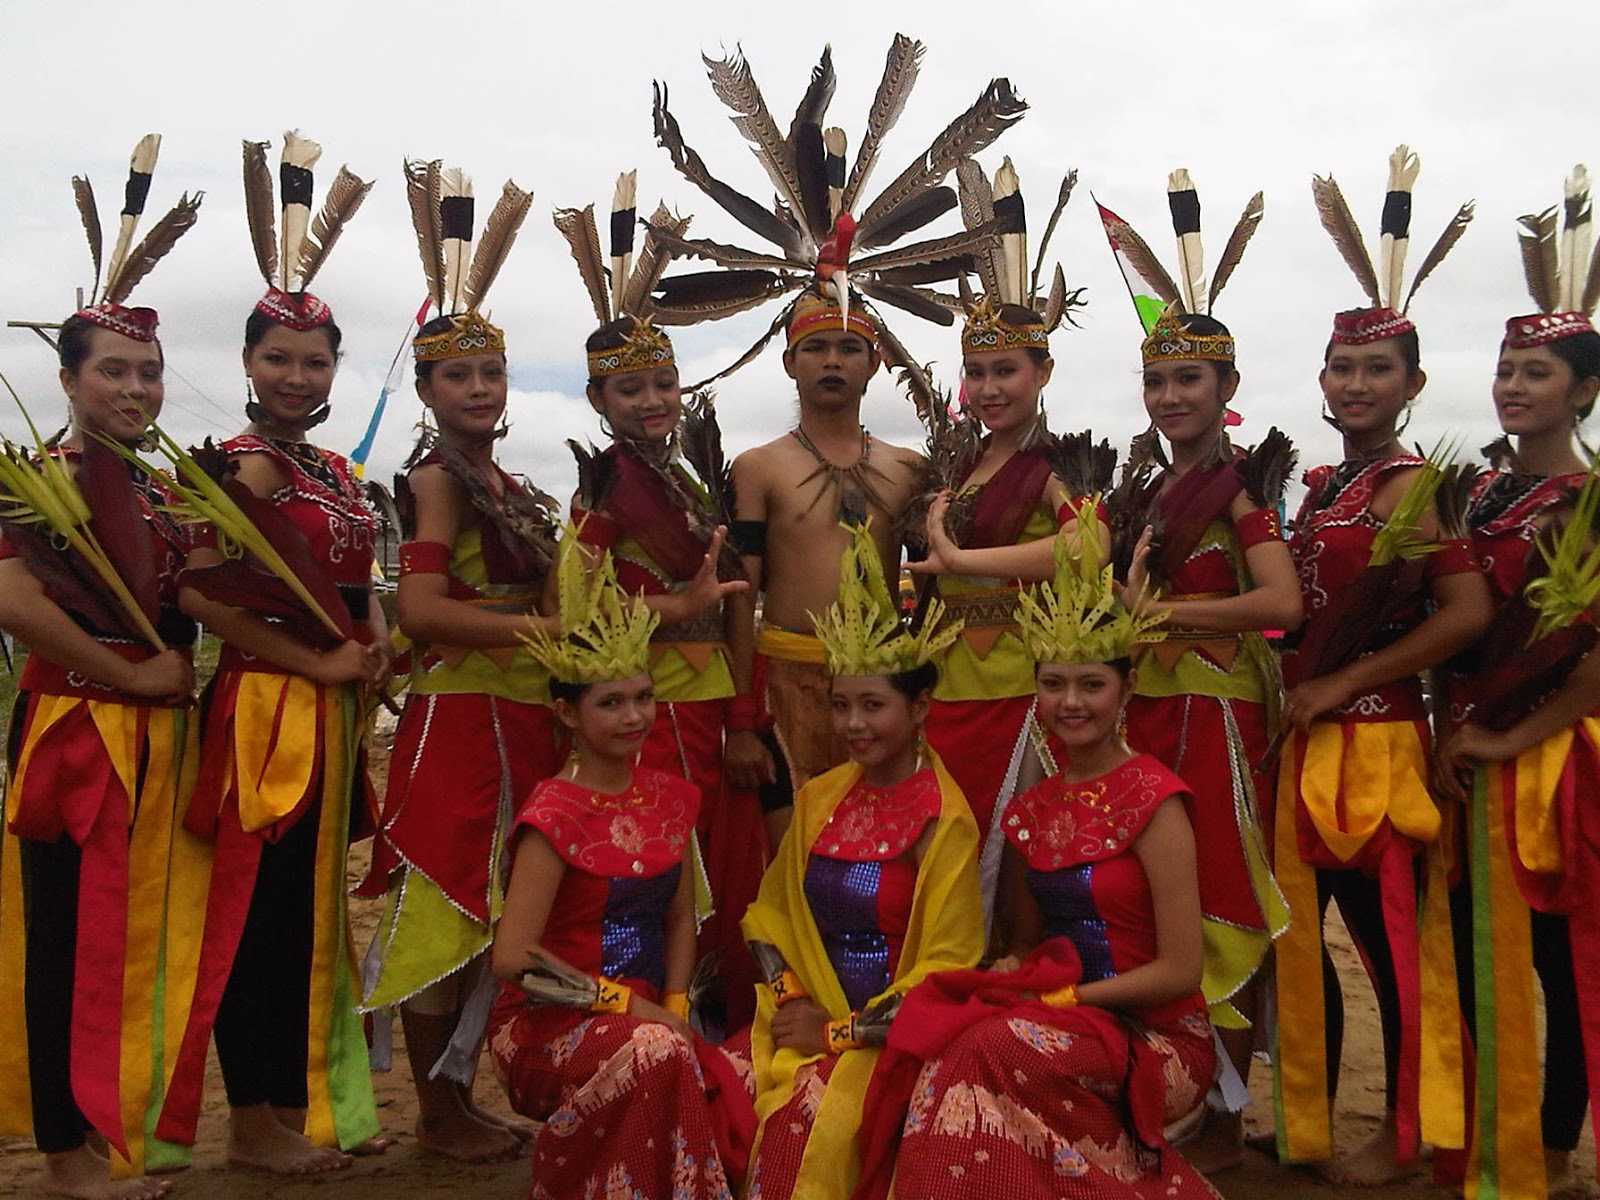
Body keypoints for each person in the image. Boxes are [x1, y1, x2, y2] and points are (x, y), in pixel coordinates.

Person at [859, 508, 1219, 1200]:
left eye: (1091, 685)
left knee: (987, 1049)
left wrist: (1063, 998)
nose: (1070, 703)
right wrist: (1009, 976)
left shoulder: (1156, 799)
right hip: (1059, 1015)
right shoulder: (1032, 808)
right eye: (1053, 684)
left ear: (1127, 689)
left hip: (1156, 1036)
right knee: (942, 1041)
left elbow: (1181, 971)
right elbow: (1027, 943)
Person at [163, 132, 387, 1174]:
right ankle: (253, 1121)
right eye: (278, 359)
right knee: (254, 914)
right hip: (264, 713)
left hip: (330, 709)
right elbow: (200, 594)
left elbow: (354, 591)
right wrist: (317, 666)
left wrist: (371, 646)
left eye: (315, 360)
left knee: (304, 910)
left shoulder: (334, 470)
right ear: (247, 364)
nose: (297, 376)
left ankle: (290, 1110)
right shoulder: (241, 470)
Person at [1274, 146, 1490, 1185]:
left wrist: (1345, 682)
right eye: (1341, 368)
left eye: (1375, 370)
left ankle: (1409, 1134)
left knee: (1392, 942)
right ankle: (1309, 1118)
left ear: (1412, 385)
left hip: (1379, 747)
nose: (1354, 385)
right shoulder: (1322, 486)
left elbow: (1466, 611)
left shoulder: (1413, 486)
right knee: (1300, 938)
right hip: (1307, 739)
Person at [0, 134, 203, 1200]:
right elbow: (14, 602)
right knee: (67, 937)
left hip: (161, 728)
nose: (134, 388)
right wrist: (128, 679)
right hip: (80, 730)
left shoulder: (168, 493)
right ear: (68, 380)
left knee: (132, 936)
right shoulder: (39, 480)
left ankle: (114, 1128)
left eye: (148, 372)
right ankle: (66, 1152)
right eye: (112, 371)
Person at [355, 162, 559, 1161]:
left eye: (491, 374)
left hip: (517, 714)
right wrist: (547, 635)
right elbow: (425, 610)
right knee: (445, 897)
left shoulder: (502, 481)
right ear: (428, 390)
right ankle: (437, 1115)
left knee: (498, 902)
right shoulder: (439, 478)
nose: (479, 389)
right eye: (458, 376)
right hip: (463, 722)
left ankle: (456, 1099)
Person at [1096, 172, 1299, 1171]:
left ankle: (1225, 1108)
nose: (1171, 396)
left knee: (1221, 899)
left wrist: (1163, 613)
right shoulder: (1139, 493)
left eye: (1190, 381)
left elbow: (1280, 604)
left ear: (1225, 388)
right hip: (1143, 723)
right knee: (1149, 903)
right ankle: (1166, 1091)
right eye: (1158, 382)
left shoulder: (1239, 492)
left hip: (1218, 725)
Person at [555, 173, 763, 1031]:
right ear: (598, 401)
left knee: (723, 869)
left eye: (663, 384)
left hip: (711, 708)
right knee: (664, 874)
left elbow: (735, 595)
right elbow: (576, 612)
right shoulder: (603, 492)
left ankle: (714, 1029)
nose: (651, 401)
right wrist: (676, 611)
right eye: (630, 390)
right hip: (653, 711)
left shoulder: (692, 479)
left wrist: (745, 714)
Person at [487, 533, 752, 1200]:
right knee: (658, 1052)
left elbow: (680, 919)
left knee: (745, 1064)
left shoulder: (668, 797)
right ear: (565, 712)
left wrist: (675, 1003)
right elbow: (513, 959)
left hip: (648, 1014)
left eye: (643, 697)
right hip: (549, 1023)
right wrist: (632, 1007)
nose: (634, 717)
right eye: (610, 703)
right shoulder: (554, 814)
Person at [1433, 168, 1600, 1200]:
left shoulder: (1591, 502)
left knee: (1556, 956)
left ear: (1582, 390)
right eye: (1504, 369)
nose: (1512, 386)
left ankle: (1553, 1150)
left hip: (1549, 759)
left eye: (1536, 372)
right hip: (1462, 752)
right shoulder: (1480, 494)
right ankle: (1483, 1137)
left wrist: (1504, 738)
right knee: (1464, 949)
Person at [737, 520, 982, 1200]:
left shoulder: (944, 820)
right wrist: (792, 1001)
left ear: (921, 705)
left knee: (806, 1123)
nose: (852, 724)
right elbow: (768, 918)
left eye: (873, 705)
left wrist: (838, 1032)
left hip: (889, 1042)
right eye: (841, 704)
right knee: (710, 1091)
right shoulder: (820, 797)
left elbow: (947, 969)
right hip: (800, 1018)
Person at [909, 157, 1104, 897]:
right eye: (977, 373)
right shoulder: (961, 467)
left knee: (1016, 852)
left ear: (1042, 373)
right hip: (951, 684)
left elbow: (1089, 547)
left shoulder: (1055, 464)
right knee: (953, 850)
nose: (988, 388)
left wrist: (962, 561)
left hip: (1022, 684)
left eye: (1005, 371)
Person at [732, 290, 924, 833]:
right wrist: (741, 717)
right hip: (787, 684)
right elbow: (741, 597)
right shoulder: (759, 467)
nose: (832, 362)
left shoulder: (909, 468)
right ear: (790, 363)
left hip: (882, 680)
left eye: (849, 348)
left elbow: (932, 590)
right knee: (795, 843)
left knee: (884, 838)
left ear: (875, 363)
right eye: (816, 348)